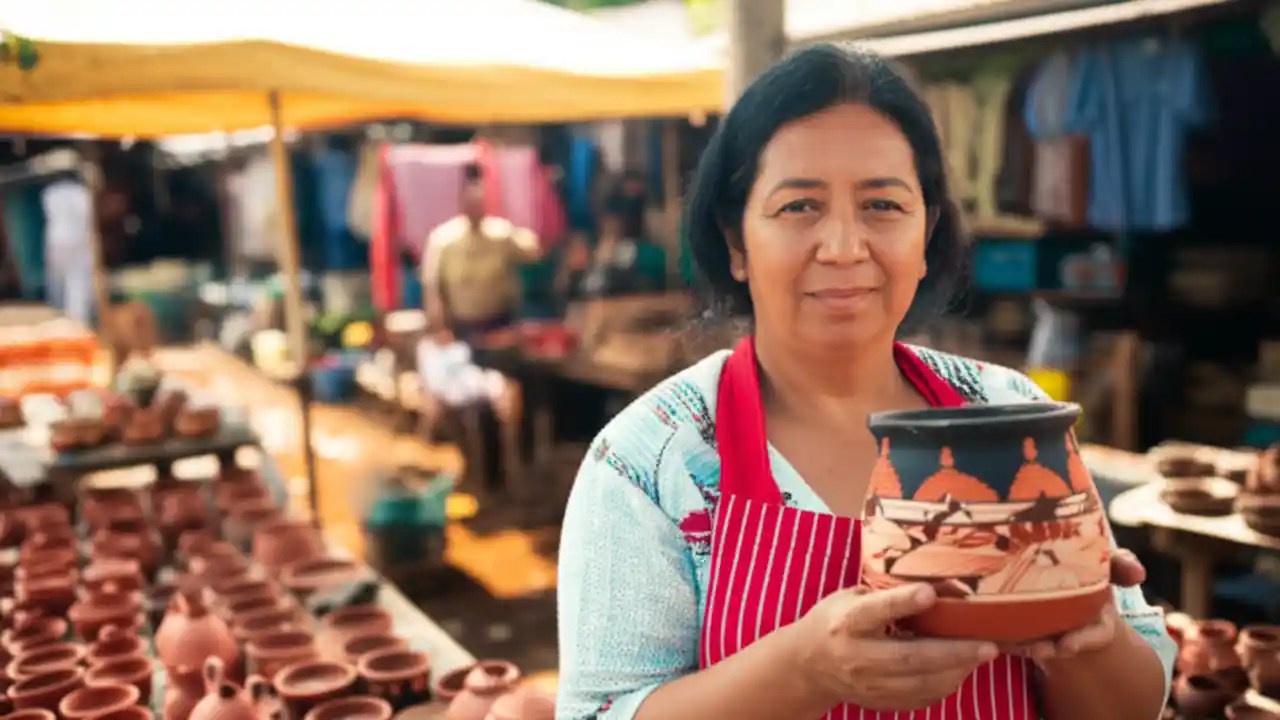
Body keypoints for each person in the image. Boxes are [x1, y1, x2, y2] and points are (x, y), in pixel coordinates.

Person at [556, 44, 1175, 720]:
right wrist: (804, 671)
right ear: (736, 242)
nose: (846, 247)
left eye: (883, 204)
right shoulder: (651, 459)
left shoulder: (1014, 417)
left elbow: (1133, 706)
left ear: (926, 231)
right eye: (799, 208)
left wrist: (1084, 630)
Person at [420, 162, 542, 343]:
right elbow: (433, 287)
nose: (475, 207)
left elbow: (534, 253)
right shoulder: (443, 239)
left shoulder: (502, 233)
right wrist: (440, 327)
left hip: (501, 324)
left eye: (479, 202)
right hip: (461, 326)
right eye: (470, 202)